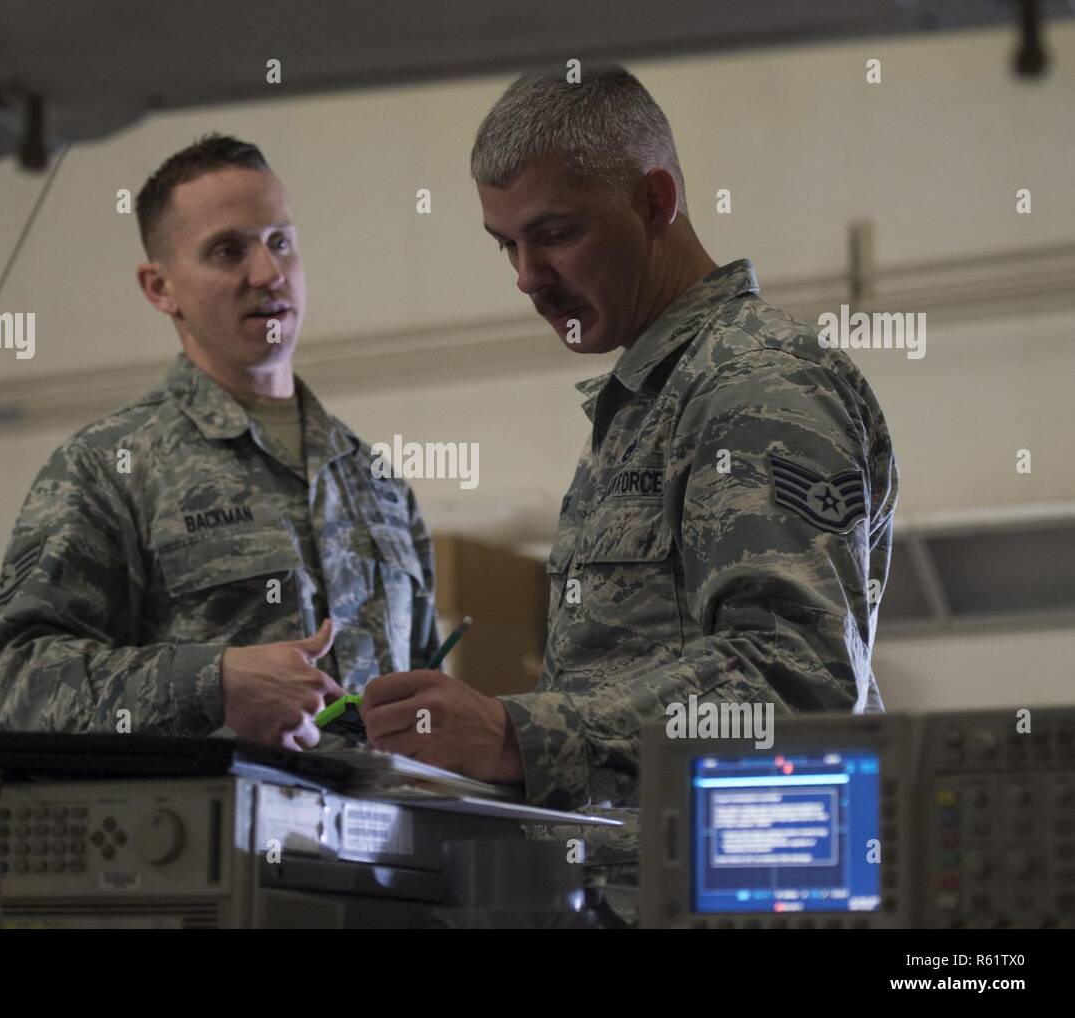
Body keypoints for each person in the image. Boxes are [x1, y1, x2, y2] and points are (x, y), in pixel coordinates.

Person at [361, 67, 898, 842]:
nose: (526, 278)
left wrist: (517, 736)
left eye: (554, 235)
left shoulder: (755, 384)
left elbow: (795, 683)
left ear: (655, 201)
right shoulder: (654, 398)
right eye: (505, 244)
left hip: (735, 889)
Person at [0, 134, 439, 751]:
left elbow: (413, 701)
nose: (267, 273)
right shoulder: (109, 467)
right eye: (227, 250)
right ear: (159, 287)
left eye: (281, 243)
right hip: (209, 841)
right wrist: (212, 684)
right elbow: (6, 690)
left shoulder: (376, 483)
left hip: (376, 845)